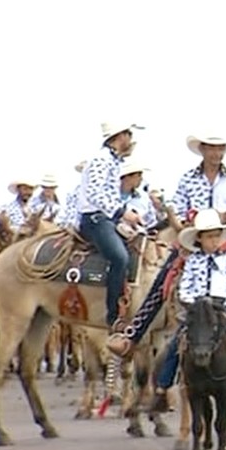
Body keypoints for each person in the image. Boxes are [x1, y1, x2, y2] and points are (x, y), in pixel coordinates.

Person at [106, 133, 226, 367]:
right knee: (161, 283)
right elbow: (178, 207)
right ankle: (131, 337)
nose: (216, 153)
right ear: (202, 149)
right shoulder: (187, 179)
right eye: (212, 148)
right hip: (195, 238)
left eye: (220, 148)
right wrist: (185, 221)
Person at [147, 208, 226, 416]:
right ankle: (162, 390)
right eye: (209, 237)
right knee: (174, 346)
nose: (214, 241)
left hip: (224, 310)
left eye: (217, 236)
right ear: (199, 239)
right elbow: (186, 287)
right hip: (198, 311)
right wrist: (194, 304)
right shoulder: (192, 261)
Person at [77, 122, 142, 328]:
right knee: (119, 258)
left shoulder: (113, 162)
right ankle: (114, 315)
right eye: (128, 134)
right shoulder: (100, 160)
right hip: (95, 220)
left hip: (108, 218)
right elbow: (95, 194)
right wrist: (123, 213)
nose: (131, 139)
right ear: (119, 136)